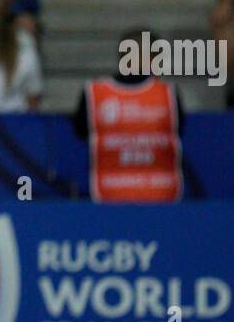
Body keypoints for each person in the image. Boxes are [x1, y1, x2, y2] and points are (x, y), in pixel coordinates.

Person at [73, 30, 184, 203]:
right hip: (123, 195)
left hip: (149, 194)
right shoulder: (95, 93)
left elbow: (81, 131)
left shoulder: (95, 92)